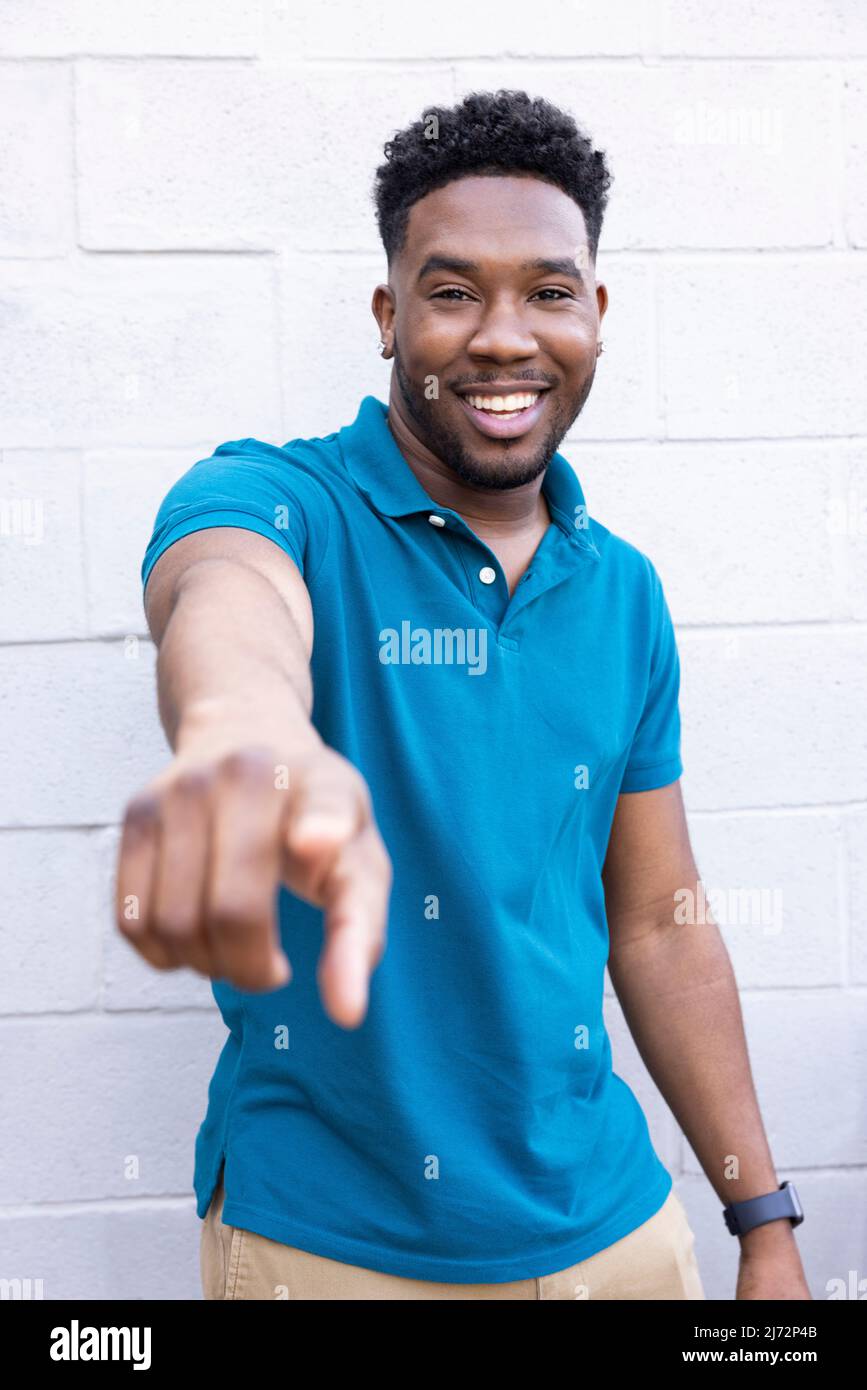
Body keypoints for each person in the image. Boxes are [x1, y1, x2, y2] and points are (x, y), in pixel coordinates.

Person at [117, 90, 810, 1301]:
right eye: (452, 292)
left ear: (597, 314)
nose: (503, 336)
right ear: (390, 319)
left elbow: (656, 920)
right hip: (332, 1252)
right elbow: (225, 596)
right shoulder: (283, 501)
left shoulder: (625, 591)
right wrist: (245, 725)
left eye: (549, 291)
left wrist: (762, 1218)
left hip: (616, 1237)